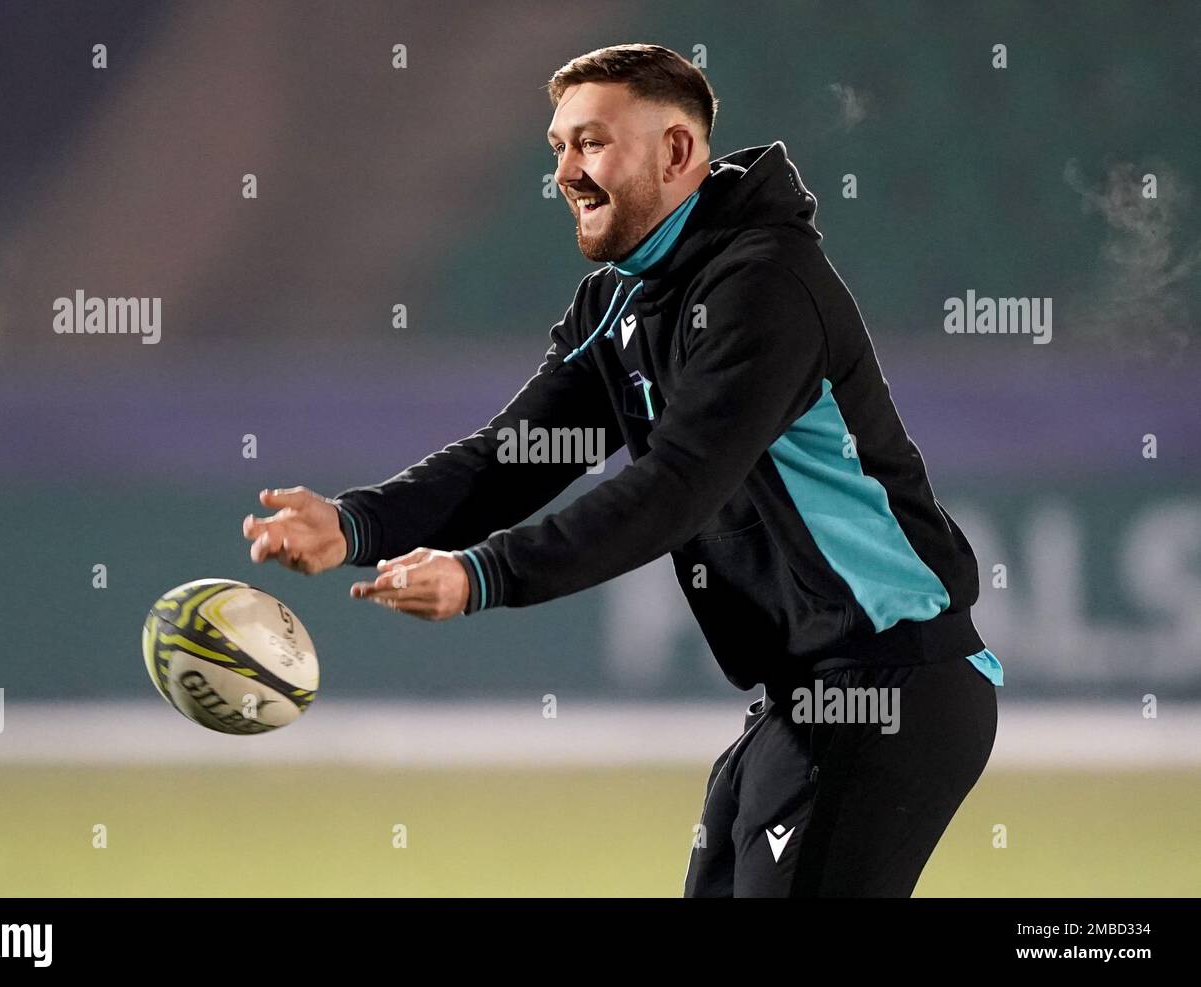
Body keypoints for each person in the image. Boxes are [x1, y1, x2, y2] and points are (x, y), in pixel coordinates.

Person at [241, 43, 1001, 897]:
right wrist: (356, 525)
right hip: (809, 698)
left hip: (893, 685)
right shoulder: (621, 303)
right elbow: (513, 456)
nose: (565, 171)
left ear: (677, 152)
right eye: (557, 148)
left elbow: (677, 487)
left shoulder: (765, 285)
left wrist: (484, 574)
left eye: (591, 143)